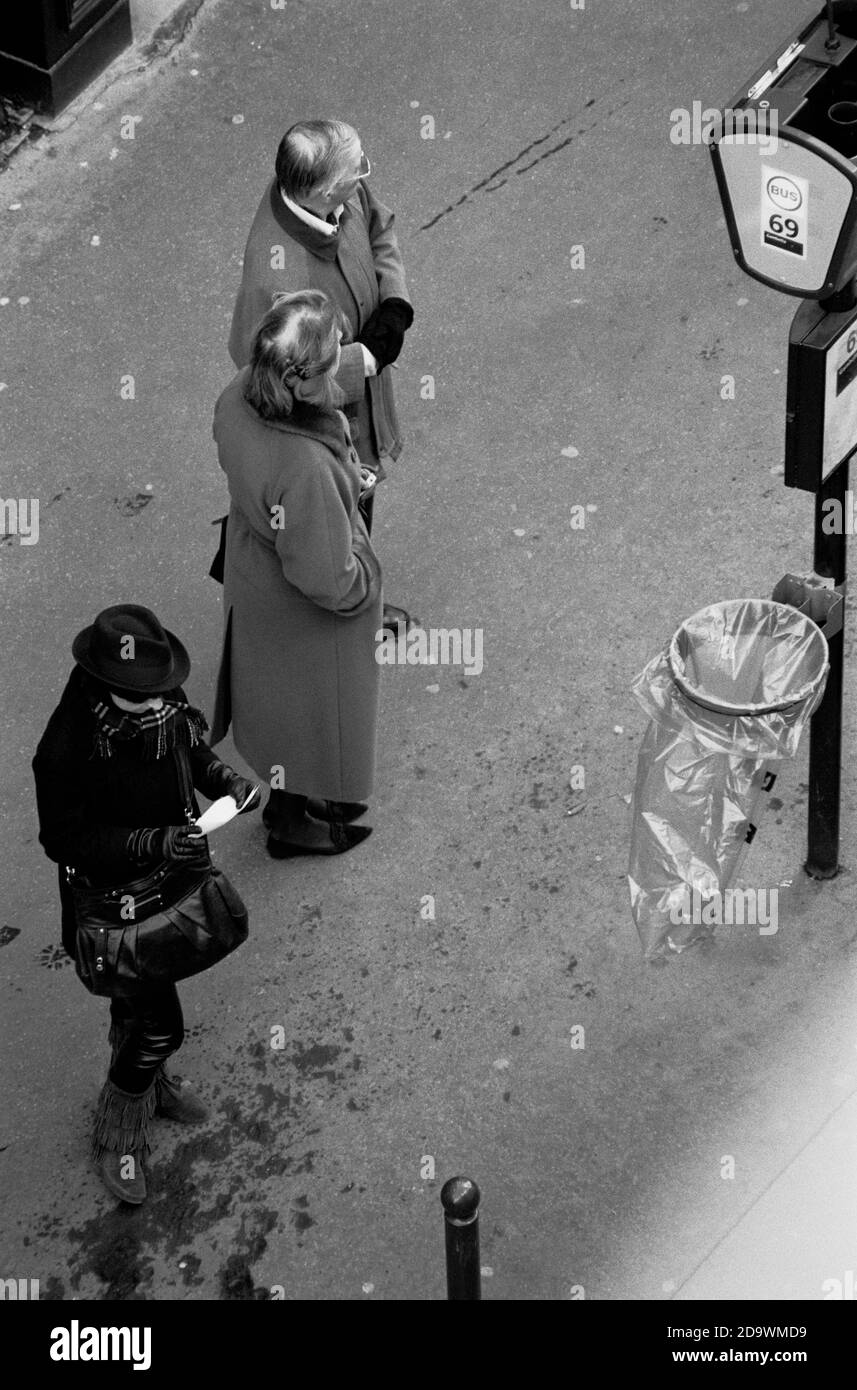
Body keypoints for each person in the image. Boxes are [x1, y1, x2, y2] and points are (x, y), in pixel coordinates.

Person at [32, 605, 259, 1204]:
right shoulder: (64, 750)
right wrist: (151, 841)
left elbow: (191, 748)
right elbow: (64, 840)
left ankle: (150, 1086)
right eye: (148, 700)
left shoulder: (152, 689)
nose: (163, 705)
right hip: (115, 906)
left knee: (140, 1006)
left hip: (170, 882)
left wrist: (227, 783)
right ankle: (118, 1131)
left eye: (165, 693)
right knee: (162, 1025)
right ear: (108, 687)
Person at [210, 289, 381, 858]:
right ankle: (290, 822)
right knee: (308, 714)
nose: (341, 361)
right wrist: (366, 584)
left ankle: (306, 801)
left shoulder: (238, 394)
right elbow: (331, 581)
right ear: (297, 378)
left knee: (279, 706)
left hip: (253, 572)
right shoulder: (304, 467)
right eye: (333, 356)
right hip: (298, 605)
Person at [228, 118, 414, 630]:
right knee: (343, 510)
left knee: (356, 500)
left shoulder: (332, 192)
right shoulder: (279, 283)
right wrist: (370, 358)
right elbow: (279, 378)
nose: (366, 175)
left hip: (356, 400)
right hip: (330, 419)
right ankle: (354, 607)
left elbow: (380, 227)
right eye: (359, 169)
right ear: (323, 188)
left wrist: (393, 299)